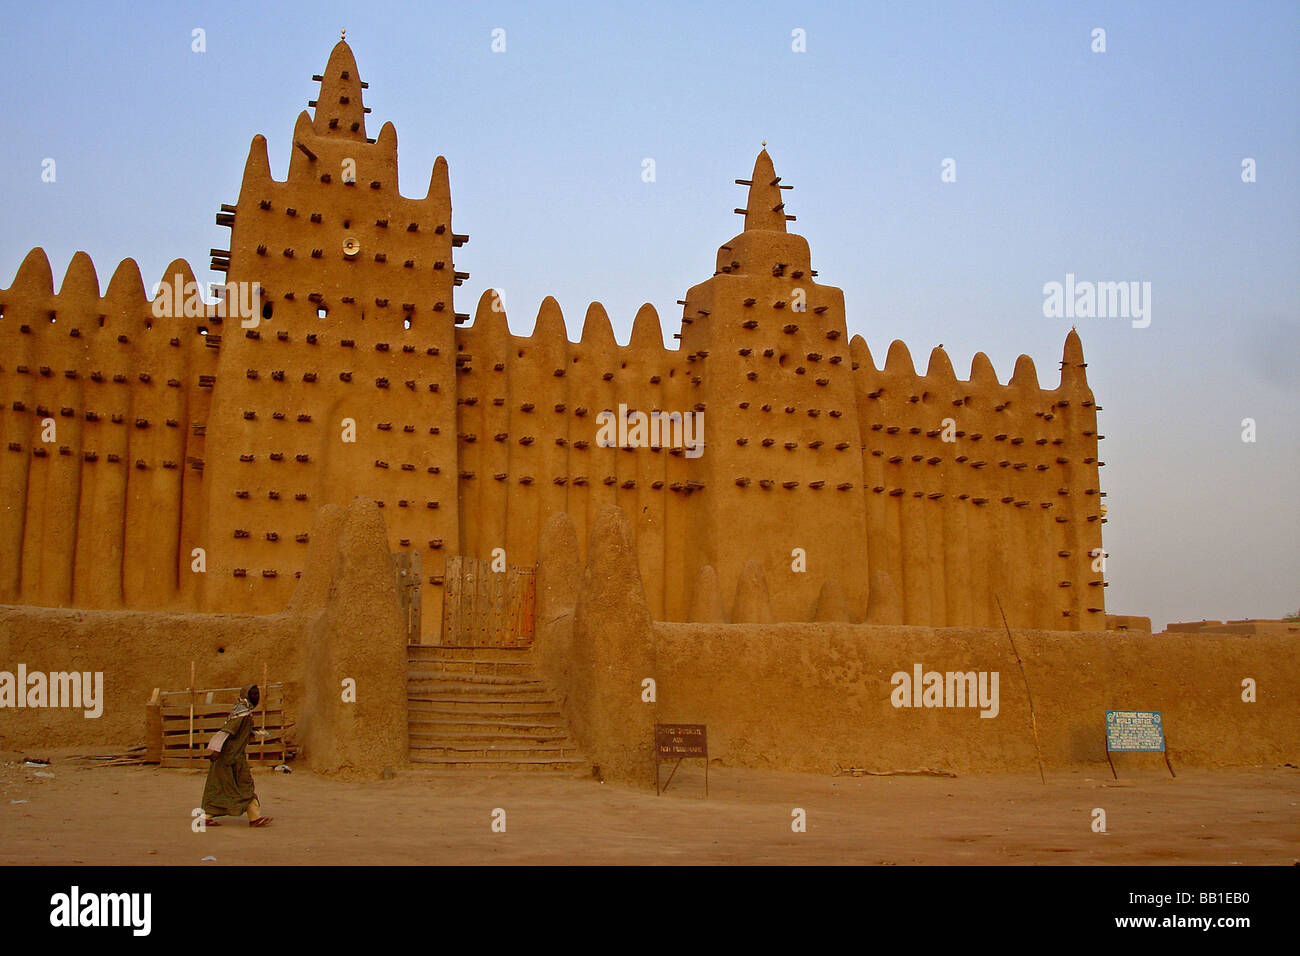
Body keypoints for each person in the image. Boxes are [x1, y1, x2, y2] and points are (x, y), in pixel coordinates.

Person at [200, 684, 273, 828]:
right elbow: (227, 732)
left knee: (221, 786)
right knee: (245, 785)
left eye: (257, 694)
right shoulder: (242, 715)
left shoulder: (242, 712)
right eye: (253, 695)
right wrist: (216, 750)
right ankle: (254, 818)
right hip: (231, 757)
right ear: (246, 696)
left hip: (231, 757)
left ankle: (206, 816)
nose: (256, 697)